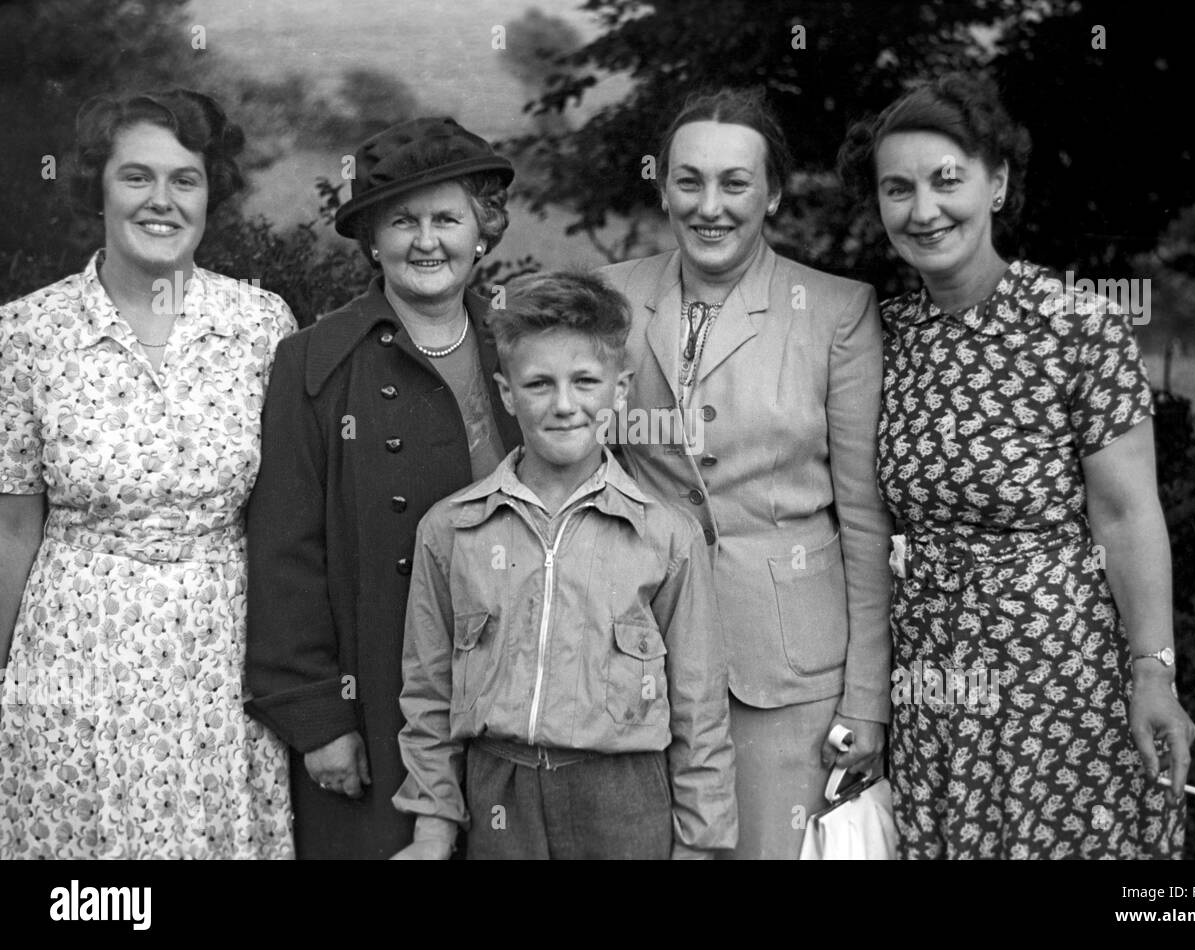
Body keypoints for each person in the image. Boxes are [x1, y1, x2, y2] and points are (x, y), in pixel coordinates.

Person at [837, 72, 1195, 858]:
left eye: (946, 181)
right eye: (897, 190)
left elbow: (1129, 515)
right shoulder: (879, 338)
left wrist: (1153, 672)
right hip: (933, 688)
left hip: (1063, 688)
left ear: (996, 184)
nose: (922, 210)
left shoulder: (1079, 326)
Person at [598, 88, 893, 859]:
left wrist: (867, 698)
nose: (710, 205)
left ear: (774, 193)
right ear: (661, 185)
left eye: (735, 183)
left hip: (786, 670)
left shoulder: (836, 311)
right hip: (638, 652)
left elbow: (863, 520)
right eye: (688, 181)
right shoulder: (611, 298)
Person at [0, 89, 295, 858]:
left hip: (219, 658)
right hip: (74, 653)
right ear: (97, 186)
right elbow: (11, 527)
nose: (161, 200)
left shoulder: (260, 325)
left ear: (209, 195)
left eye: (184, 180)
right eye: (136, 177)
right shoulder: (26, 334)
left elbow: (291, 519)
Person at [244, 117, 523, 859]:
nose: (426, 241)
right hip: (372, 702)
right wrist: (319, 721)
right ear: (371, 238)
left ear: (483, 231)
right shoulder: (316, 361)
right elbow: (284, 551)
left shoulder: (520, 353)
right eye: (403, 221)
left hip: (512, 695)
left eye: (446, 219)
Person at [391, 270, 737, 860]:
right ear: (505, 394)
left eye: (585, 381)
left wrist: (700, 843)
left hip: (624, 796)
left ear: (620, 389)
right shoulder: (451, 530)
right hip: (501, 792)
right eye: (539, 384)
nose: (564, 405)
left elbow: (700, 706)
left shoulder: (665, 535)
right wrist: (432, 829)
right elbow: (427, 692)